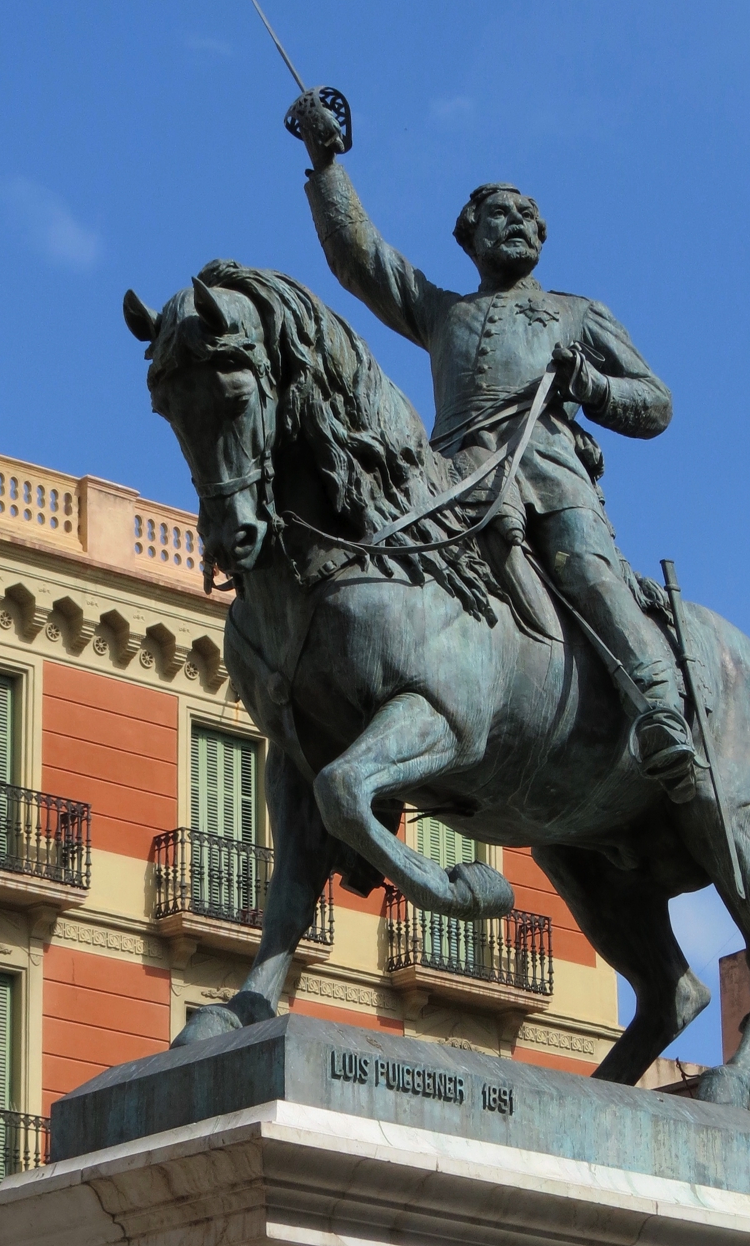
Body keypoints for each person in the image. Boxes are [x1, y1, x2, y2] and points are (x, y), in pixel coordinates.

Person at [288, 90, 701, 801]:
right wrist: (324, 164)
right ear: (469, 236)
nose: (516, 223)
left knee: (584, 569)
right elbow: (362, 259)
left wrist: (592, 387)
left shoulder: (574, 314)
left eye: (527, 216)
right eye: (499, 215)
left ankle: (660, 709)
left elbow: (656, 403)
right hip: (448, 477)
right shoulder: (442, 310)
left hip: (544, 473)